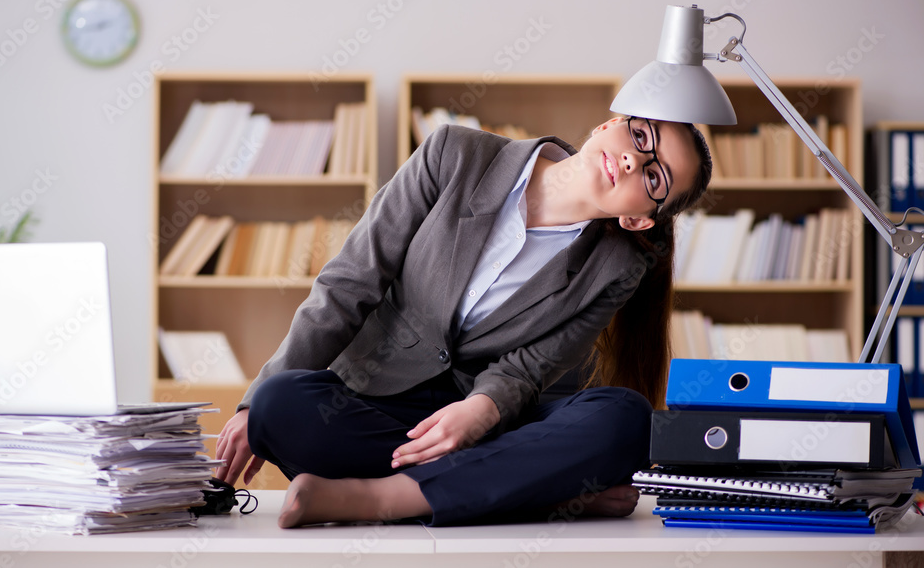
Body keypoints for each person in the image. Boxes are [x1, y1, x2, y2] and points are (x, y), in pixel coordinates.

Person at [215, 115, 712, 528]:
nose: (633, 159)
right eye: (642, 137)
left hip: (480, 424)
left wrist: (482, 408)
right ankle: (533, 496)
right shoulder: (454, 153)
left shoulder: (619, 266)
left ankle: (383, 500)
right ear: (612, 124)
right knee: (280, 404)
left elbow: (531, 366)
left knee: (624, 417)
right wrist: (251, 403)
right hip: (370, 405)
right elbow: (349, 285)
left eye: (654, 177)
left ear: (640, 219)